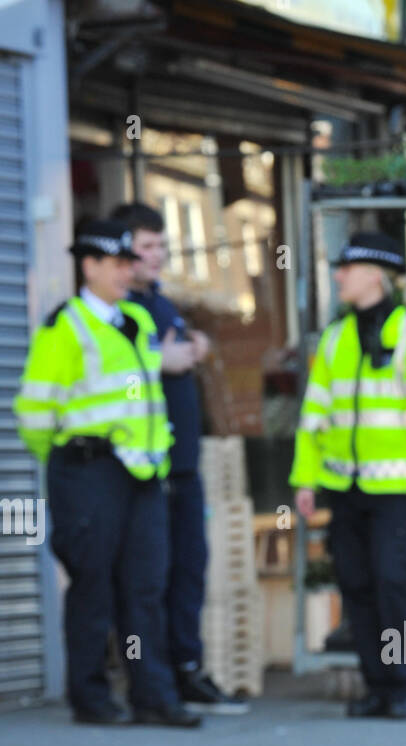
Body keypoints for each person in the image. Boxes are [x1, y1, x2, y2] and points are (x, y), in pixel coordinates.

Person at [13, 218, 199, 727]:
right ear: (89, 265)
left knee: (144, 589)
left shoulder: (136, 321)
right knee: (93, 587)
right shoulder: (64, 327)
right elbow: (33, 412)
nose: (126, 273)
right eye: (116, 264)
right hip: (87, 471)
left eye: (128, 264)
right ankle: (91, 698)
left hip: (141, 476)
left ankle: (153, 695)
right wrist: (65, 458)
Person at [290, 231, 406, 717]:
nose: (338, 275)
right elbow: (313, 415)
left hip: (396, 488)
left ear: (375, 274)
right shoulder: (336, 338)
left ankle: (404, 687)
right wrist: (305, 479)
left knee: (391, 585)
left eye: (347, 268)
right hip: (344, 487)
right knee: (356, 587)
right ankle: (375, 688)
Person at [112, 202, 248, 714]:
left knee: (189, 567)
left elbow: (183, 349)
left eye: (162, 246)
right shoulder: (120, 312)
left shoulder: (159, 302)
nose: (157, 256)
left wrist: (197, 343)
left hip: (184, 464)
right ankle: (158, 678)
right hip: (150, 467)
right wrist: (163, 358)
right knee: (154, 577)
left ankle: (186, 669)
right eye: (147, 247)